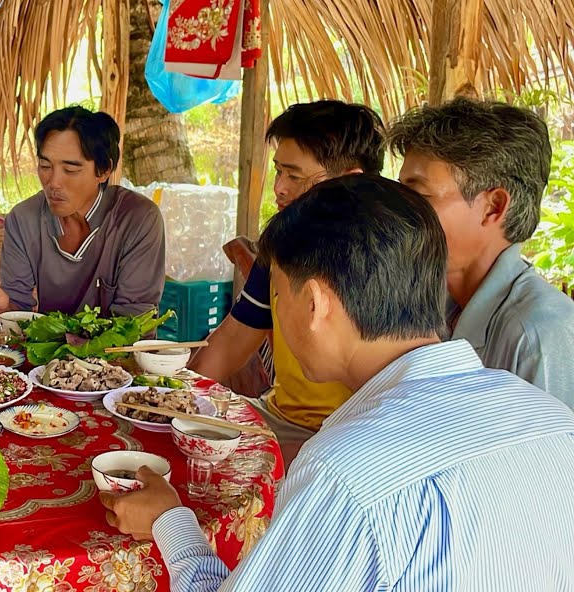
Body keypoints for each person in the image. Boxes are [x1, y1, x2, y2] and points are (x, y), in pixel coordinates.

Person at [101, 174, 574, 590]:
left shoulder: (347, 471)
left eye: (278, 294)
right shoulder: (553, 418)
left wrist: (171, 522)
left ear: (314, 304)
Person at [189, 100, 385, 461]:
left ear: (349, 181)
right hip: (276, 419)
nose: (279, 188)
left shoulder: (389, 261)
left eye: (295, 176)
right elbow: (232, 340)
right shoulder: (283, 245)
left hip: (353, 439)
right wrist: (179, 399)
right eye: (279, 172)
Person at [389, 97, 574, 407]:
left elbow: (548, 455)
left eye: (418, 195)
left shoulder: (539, 335)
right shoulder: (426, 304)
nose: (397, 211)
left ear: (493, 208)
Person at [0, 106, 165, 322]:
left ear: (103, 171)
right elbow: (18, 308)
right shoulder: (24, 219)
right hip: (51, 355)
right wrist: (3, 308)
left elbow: (133, 322)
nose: (53, 183)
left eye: (70, 170)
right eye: (45, 165)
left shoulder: (137, 219)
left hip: (120, 354)